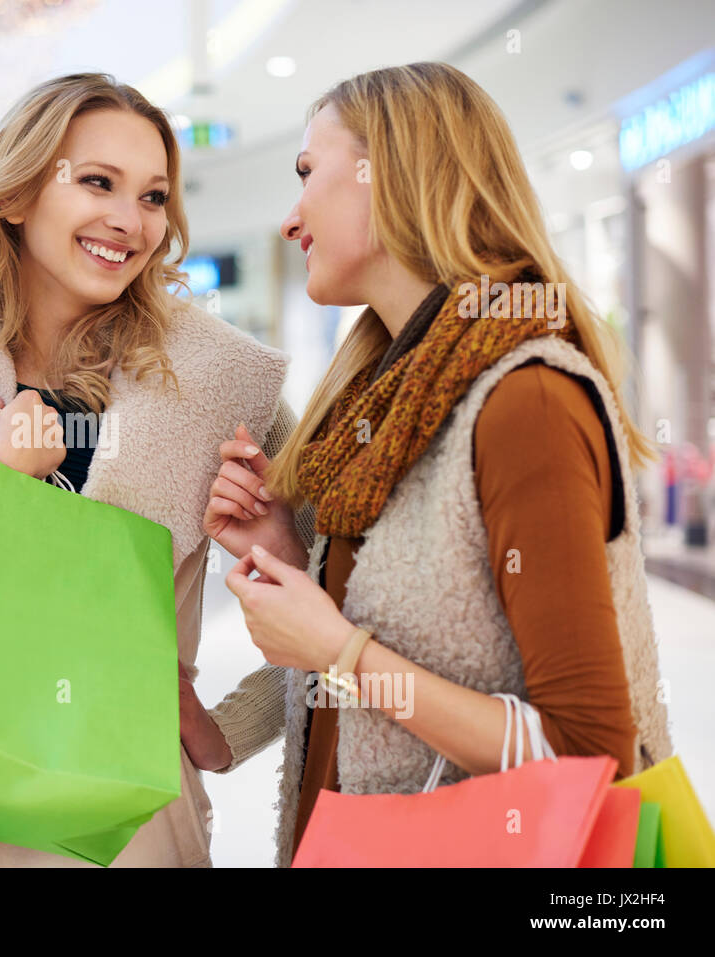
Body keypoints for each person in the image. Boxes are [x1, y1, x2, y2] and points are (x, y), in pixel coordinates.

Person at [0, 72, 314, 867]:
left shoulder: (219, 378)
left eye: (153, 196)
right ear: (14, 195)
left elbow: (348, 588)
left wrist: (228, 730)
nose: (129, 221)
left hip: (112, 824)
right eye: (97, 183)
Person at [181, 62, 672, 866]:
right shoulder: (376, 405)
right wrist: (291, 561)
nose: (289, 219)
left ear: (394, 177)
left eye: (309, 173)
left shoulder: (527, 402)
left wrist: (340, 648)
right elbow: (381, 662)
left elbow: (589, 752)